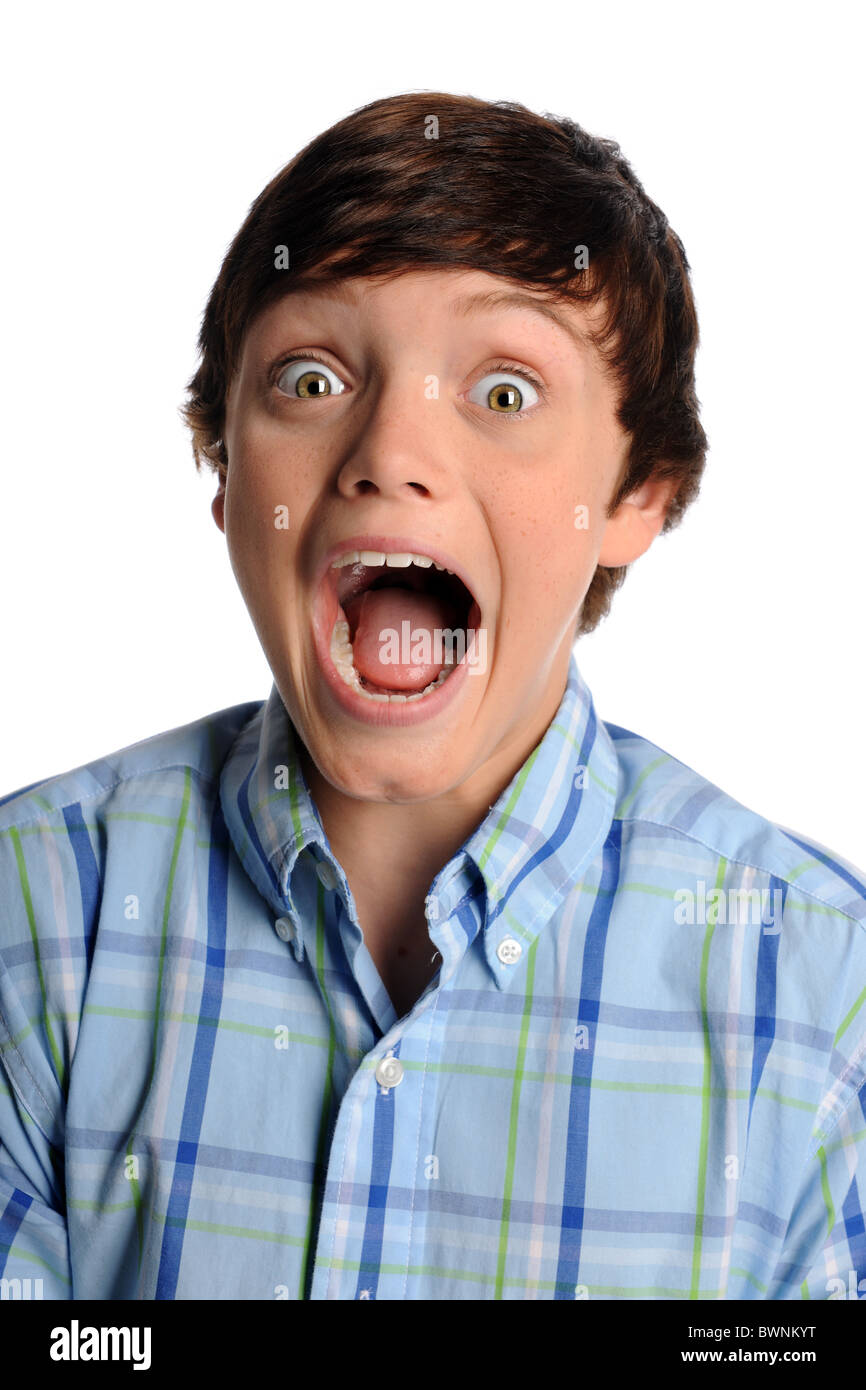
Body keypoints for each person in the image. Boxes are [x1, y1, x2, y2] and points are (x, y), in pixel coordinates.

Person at [1, 91, 863, 1302]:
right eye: (308, 378)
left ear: (638, 494)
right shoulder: (32, 917)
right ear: (223, 464)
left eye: (502, 393)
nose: (386, 452)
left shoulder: (824, 995)